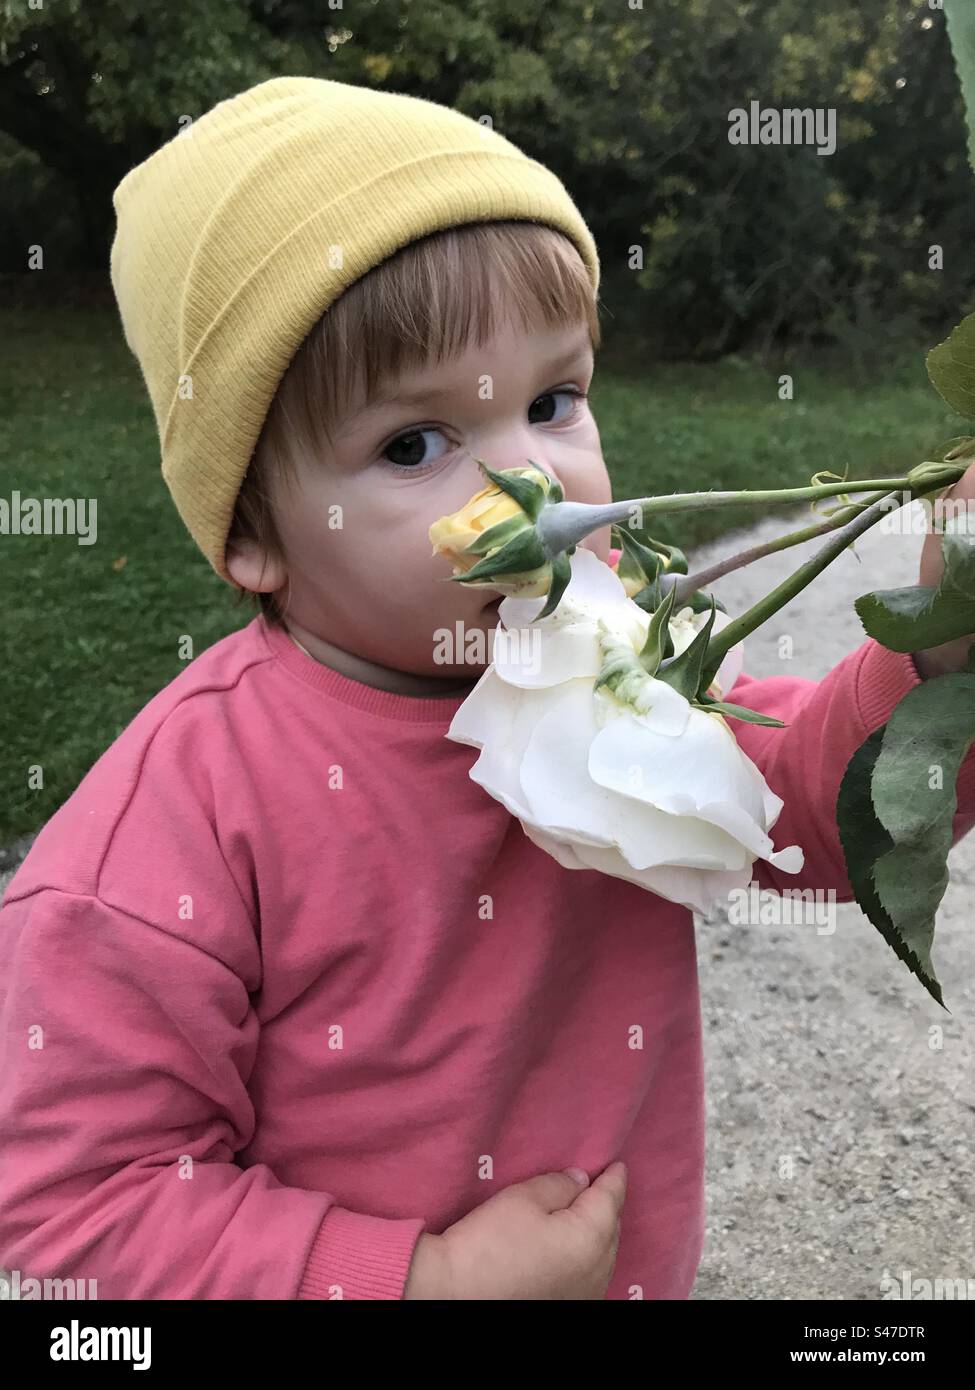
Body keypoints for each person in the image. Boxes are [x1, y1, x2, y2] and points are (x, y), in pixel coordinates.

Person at [2, 76, 975, 1301]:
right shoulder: (178, 826)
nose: (536, 478)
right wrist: (415, 1281)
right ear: (249, 532)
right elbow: (77, 1199)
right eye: (415, 443)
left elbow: (791, 805)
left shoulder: (608, 656)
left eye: (554, 399)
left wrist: (939, 651)